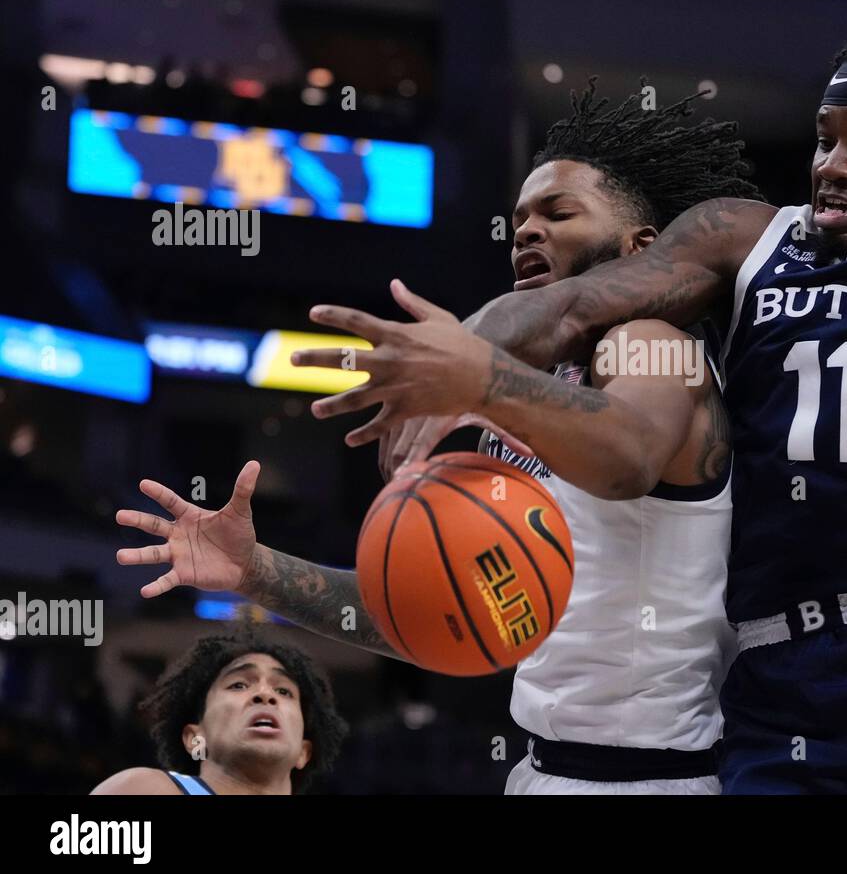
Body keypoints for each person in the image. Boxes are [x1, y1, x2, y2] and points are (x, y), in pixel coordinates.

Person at [297, 0, 847, 793]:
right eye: (824, 138)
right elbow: (580, 300)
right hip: (774, 685)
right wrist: (458, 355)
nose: (831, 164)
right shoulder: (749, 235)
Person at [117, 81, 759, 794]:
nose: (526, 231)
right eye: (518, 220)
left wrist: (483, 381)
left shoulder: (653, 344)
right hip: (541, 770)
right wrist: (257, 571)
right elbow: (436, 617)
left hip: (659, 781)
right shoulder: (529, 406)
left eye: (558, 212)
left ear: (642, 248)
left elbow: (631, 458)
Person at [90, 625, 346, 795]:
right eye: (238, 684)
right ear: (195, 738)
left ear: (304, 752)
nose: (265, 694)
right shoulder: (143, 790)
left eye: (283, 691)